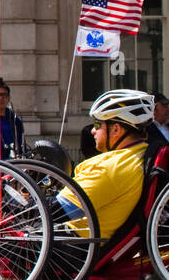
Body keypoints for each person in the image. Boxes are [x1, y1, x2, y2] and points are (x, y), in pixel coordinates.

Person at [58, 90, 153, 238]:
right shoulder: (140, 154)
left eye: (97, 124)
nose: (92, 131)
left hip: (68, 245)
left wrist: (15, 202)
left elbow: (56, 210)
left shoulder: (112, 167)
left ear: (116, 129)